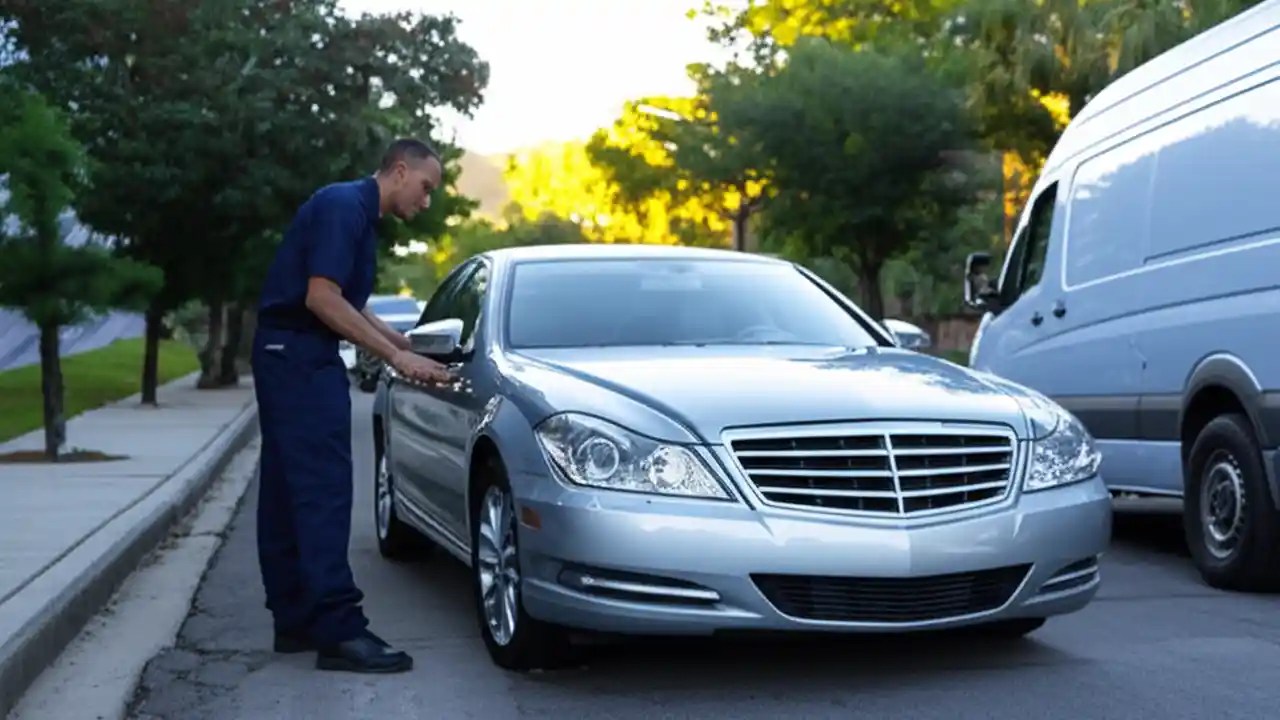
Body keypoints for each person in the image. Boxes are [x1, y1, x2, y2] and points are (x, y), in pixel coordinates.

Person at [251, 138, 453, 674]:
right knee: (323, 490)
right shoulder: (345, 207)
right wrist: (395, 357)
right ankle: (339, 631)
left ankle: (295, 620)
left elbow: (349, 303)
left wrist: (405, 343)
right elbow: (321, 298)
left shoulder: (356, 213)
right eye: (425, 188)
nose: (426, 200)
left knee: (286, 489)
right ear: (400, 171)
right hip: (299, 355)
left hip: (287, 353)